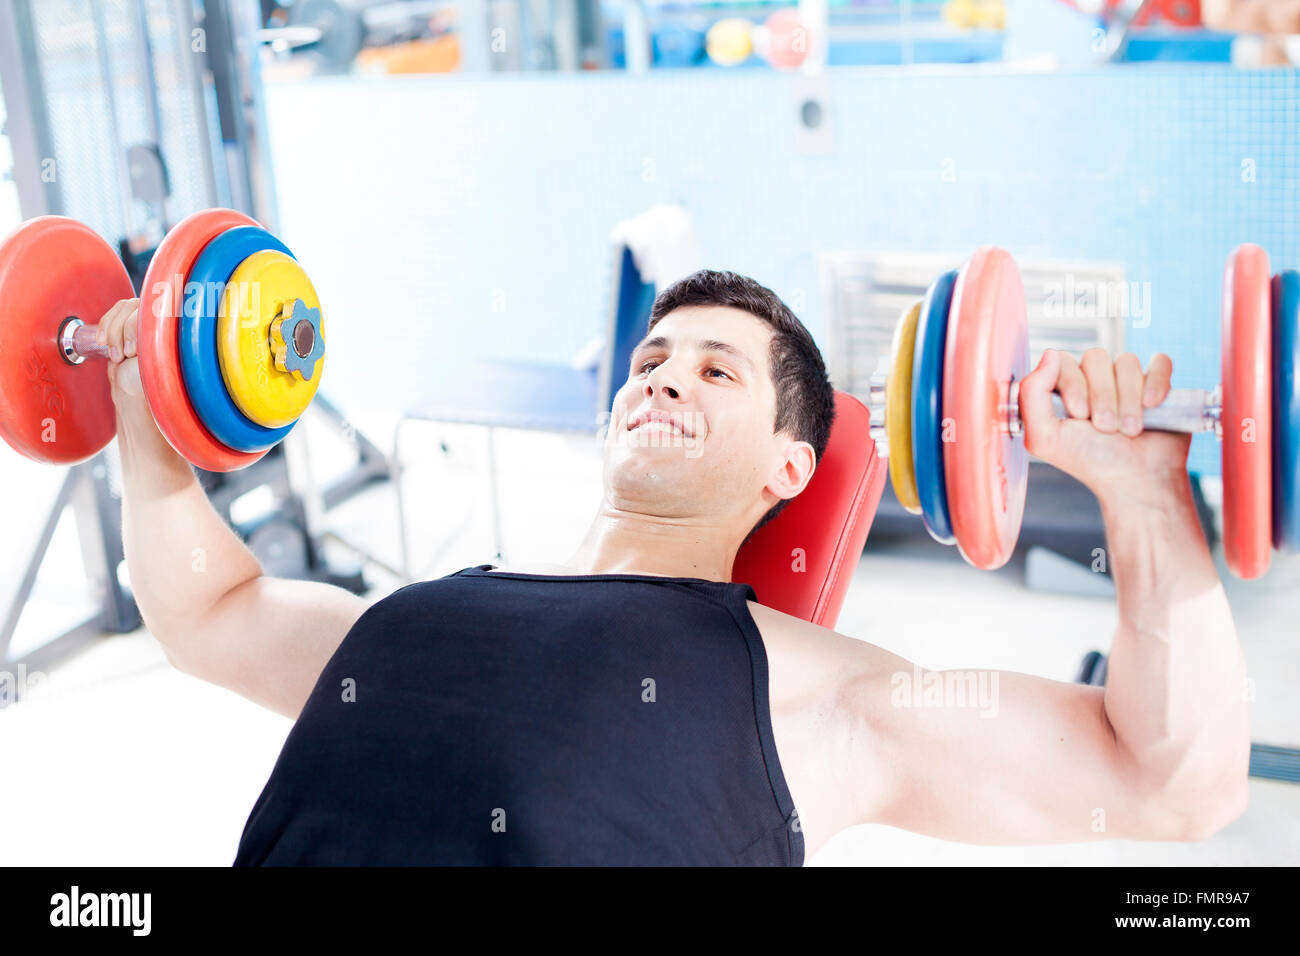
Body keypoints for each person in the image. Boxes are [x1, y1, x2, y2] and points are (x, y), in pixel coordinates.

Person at [94, 269, 1248, 864]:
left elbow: (1171, 781)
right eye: (652, 359)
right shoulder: (405, 620)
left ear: (792, 468)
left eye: (715, 372)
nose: (662, 378)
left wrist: (1141, 492)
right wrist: (135, 399)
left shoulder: (813, 695)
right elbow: (209, 605)